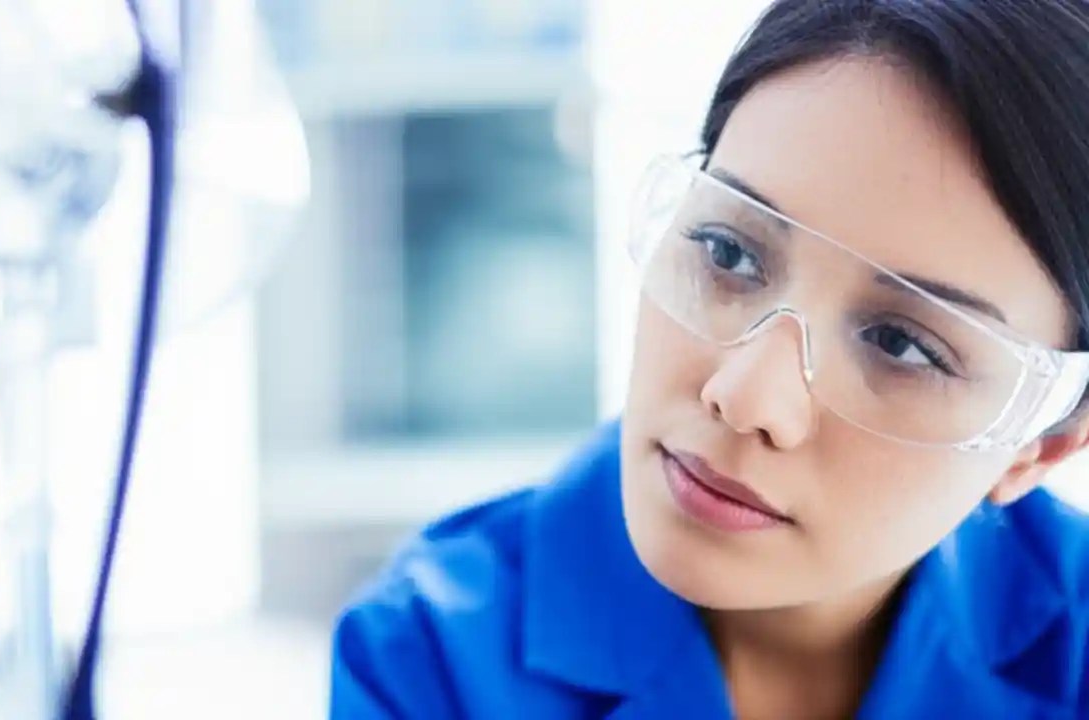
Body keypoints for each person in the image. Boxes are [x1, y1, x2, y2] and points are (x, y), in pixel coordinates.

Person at [329, 2, 1089, 717]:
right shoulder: (430, 661)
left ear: (1042, 445)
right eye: (728, 252)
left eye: (902, 345)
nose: (745, 394)